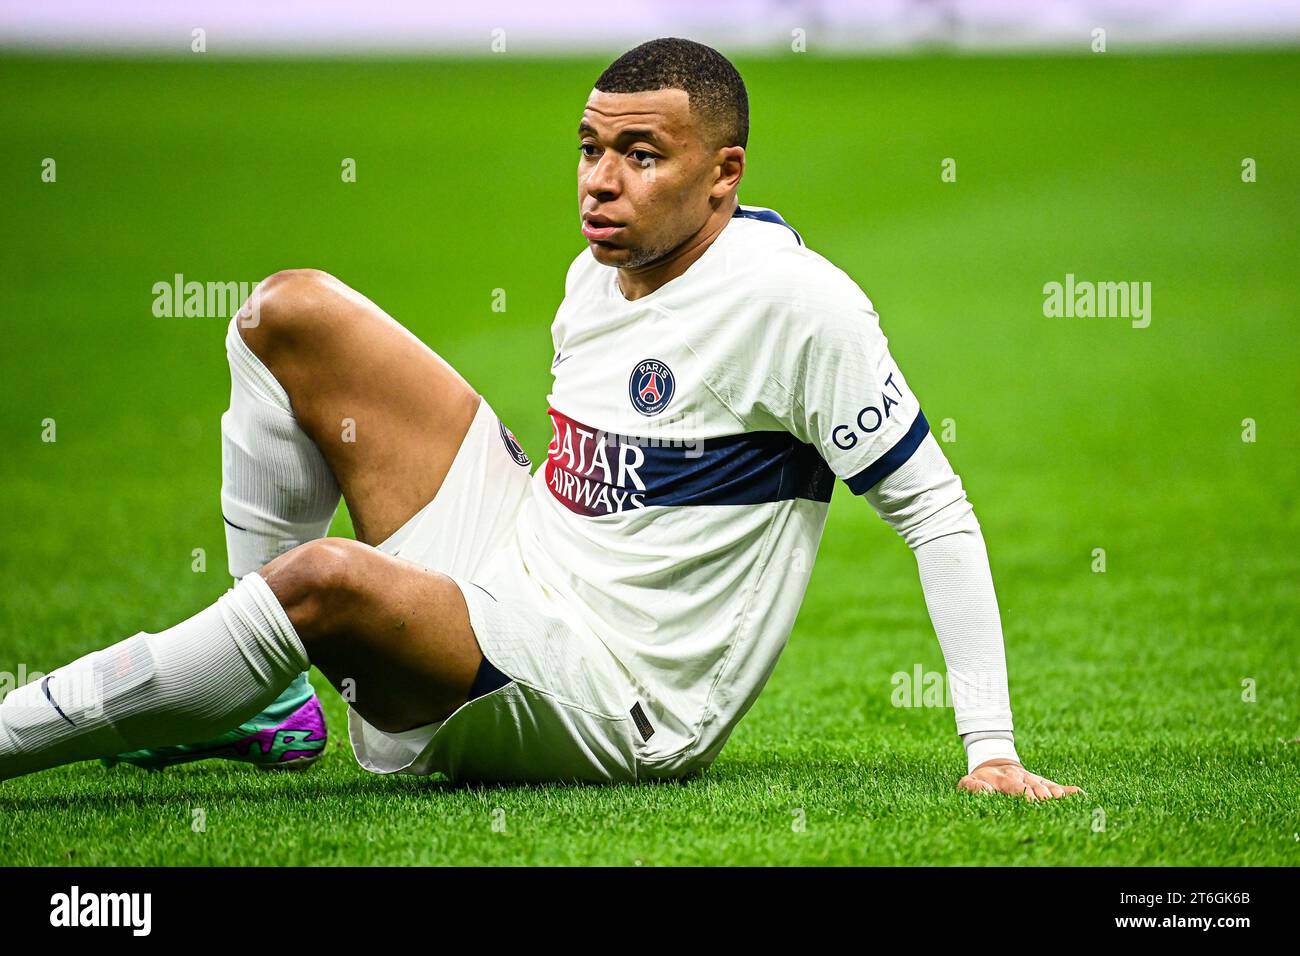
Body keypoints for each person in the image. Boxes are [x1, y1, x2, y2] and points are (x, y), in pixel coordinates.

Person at [0, 38, 1079, 800]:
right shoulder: (595, 272)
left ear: (723, 175)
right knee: (290, 309)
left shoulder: (800, 308)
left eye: (639, 156)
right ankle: (265, 699)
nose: (599, 183)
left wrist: (990, 743)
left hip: (617, 693)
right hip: (520, 568)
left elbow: (934, 510)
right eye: (588, 148)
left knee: (326, 579)